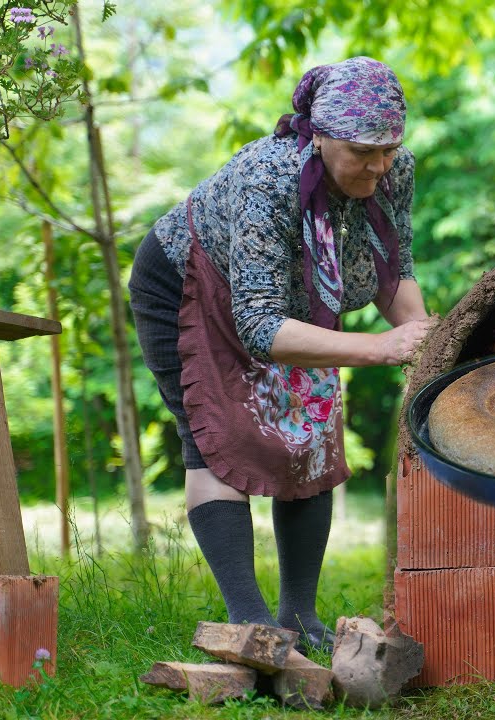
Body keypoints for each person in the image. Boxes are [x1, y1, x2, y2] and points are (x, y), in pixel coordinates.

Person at [128, 57, 434, 654]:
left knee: (311, 432)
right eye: (360, 151)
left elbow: (394, 274)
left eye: (389, 149)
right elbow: (261, 326)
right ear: (318, 136)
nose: (378, 165)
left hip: (298, 299)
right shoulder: (269, 178)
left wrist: (426, 339)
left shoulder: (394, 173)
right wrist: (380, 348)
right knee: (215, 441)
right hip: (190, 285)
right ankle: (251, 621)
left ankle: (300, 619)